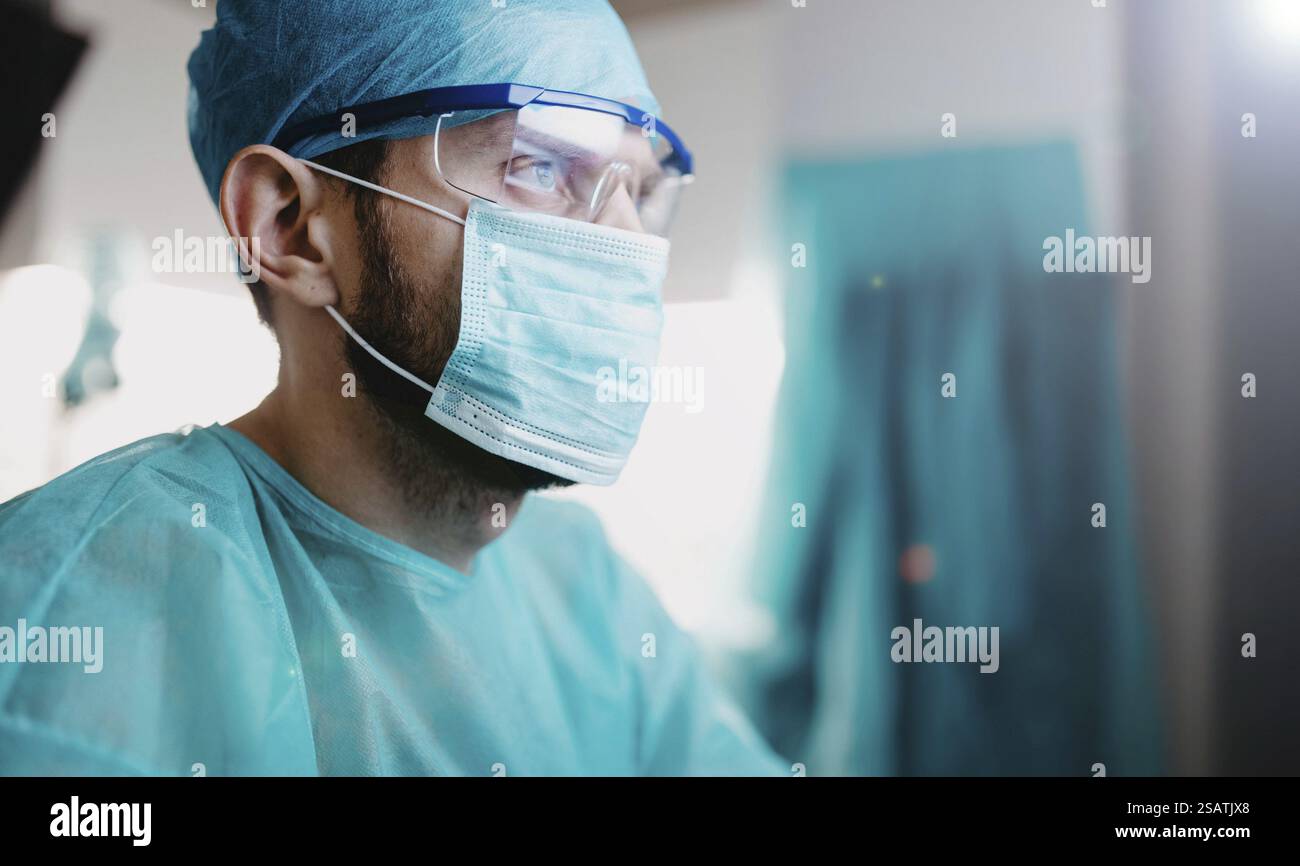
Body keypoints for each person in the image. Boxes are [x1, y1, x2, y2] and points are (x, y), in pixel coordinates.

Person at [0, 0, 786, 776]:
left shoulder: (586, 588)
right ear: (289, 229)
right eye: (535, 167)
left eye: (641, 193)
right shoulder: (67, 611)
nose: (626, 246)